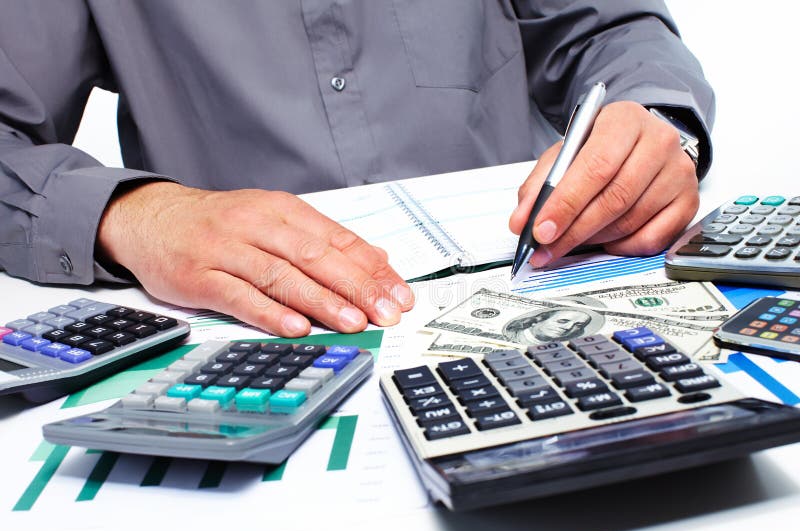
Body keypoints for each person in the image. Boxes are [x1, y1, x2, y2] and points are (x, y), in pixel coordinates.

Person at [0, 1, 713, 338]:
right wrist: (138, 217)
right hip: (246, 335)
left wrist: (656, 122)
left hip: (531, 295)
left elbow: (612, 30)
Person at [503, 308, 597, 344]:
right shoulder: (511, 334)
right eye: (562, 321)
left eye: (578, 325)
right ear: (539, 319)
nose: (568, 327)